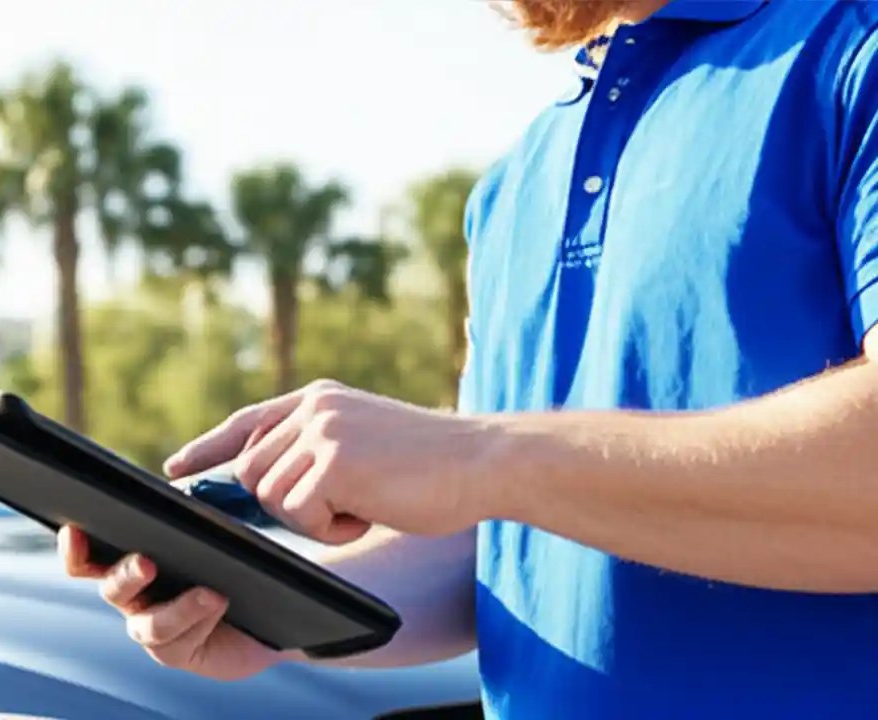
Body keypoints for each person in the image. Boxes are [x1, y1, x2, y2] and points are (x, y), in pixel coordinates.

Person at [60, 0, 878, 717]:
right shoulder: (513, 185)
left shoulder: (853, 47)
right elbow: (498, 537)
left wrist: (480, 456)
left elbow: (503, 475)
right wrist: (272, 612)